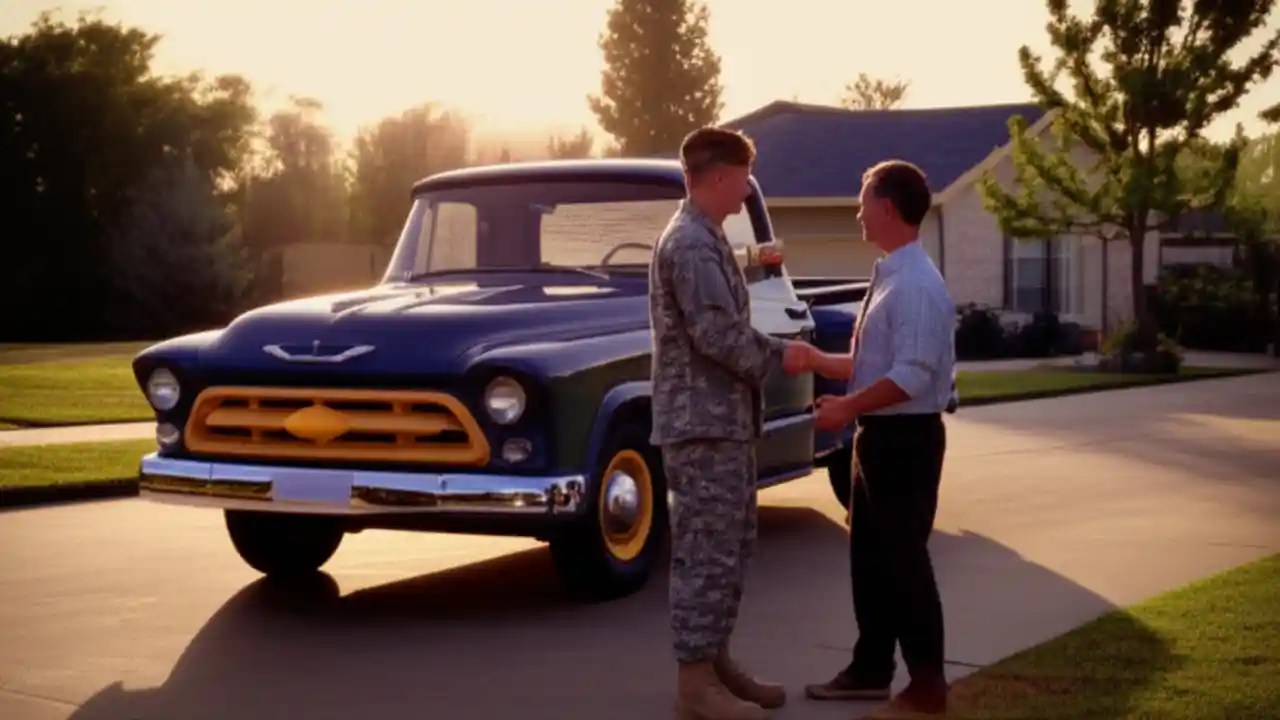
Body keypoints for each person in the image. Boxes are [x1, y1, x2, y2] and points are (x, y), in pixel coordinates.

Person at [649, 126, 810, 720]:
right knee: (705, 550)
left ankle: (715, 662)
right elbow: (714, 332)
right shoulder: (690, 243)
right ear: (719, 177)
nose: (747, 192)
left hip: (722, 420)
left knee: (731, 545)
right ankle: (695, 684)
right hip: (702, 424)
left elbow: (716, 316)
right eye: (743, 179)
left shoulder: (706, 237)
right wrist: (781, 356)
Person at [797, 160, 956, 716]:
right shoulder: (892, 274)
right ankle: (870, 669)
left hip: (905, 442)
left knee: (903, 562)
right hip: (879, 438)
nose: (858, 211)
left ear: (887, 208)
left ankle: (928, 686)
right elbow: (874, 366)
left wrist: (847, 409)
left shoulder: (915, 286)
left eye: (863, 201)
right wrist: (818, 361)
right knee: (870, 560)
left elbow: (912, 376)